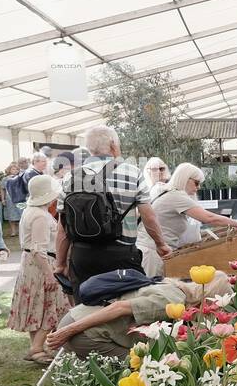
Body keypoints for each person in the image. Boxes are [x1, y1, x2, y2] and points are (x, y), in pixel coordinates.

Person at [57, 125, 170, 293]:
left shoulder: (70, 177)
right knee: (125, 309)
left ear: (89, 148)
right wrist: (161, 245)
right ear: (113, 145)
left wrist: (60, 263)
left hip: (82, 255)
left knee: (87, 310)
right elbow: (148, 216)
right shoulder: (133, 173)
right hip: (121, 253)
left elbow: (63, 227)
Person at [46, 271, 232, 359]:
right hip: (85, 333)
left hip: (79, 319)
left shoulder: (171, 286)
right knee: (142, 367)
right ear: (208, 298)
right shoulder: (172, 301)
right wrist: (67, 332)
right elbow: (117, 308)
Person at [136, 162, 237, 276]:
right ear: (185, 179)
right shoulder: (177, 196)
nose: (198, 188)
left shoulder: (170, 193)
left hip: (154, 250)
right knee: (152, 289)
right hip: (152, 253)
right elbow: (209, 218)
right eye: (196, 183)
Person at [7, 175, 69, 364]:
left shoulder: (30, 211)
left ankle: (36, 347)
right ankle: (36, 348)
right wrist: (50, 275)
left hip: (31, 265)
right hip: (41, 265)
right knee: (53, 305)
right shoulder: (40, 216)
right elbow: (38, 249)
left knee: (37, 305)